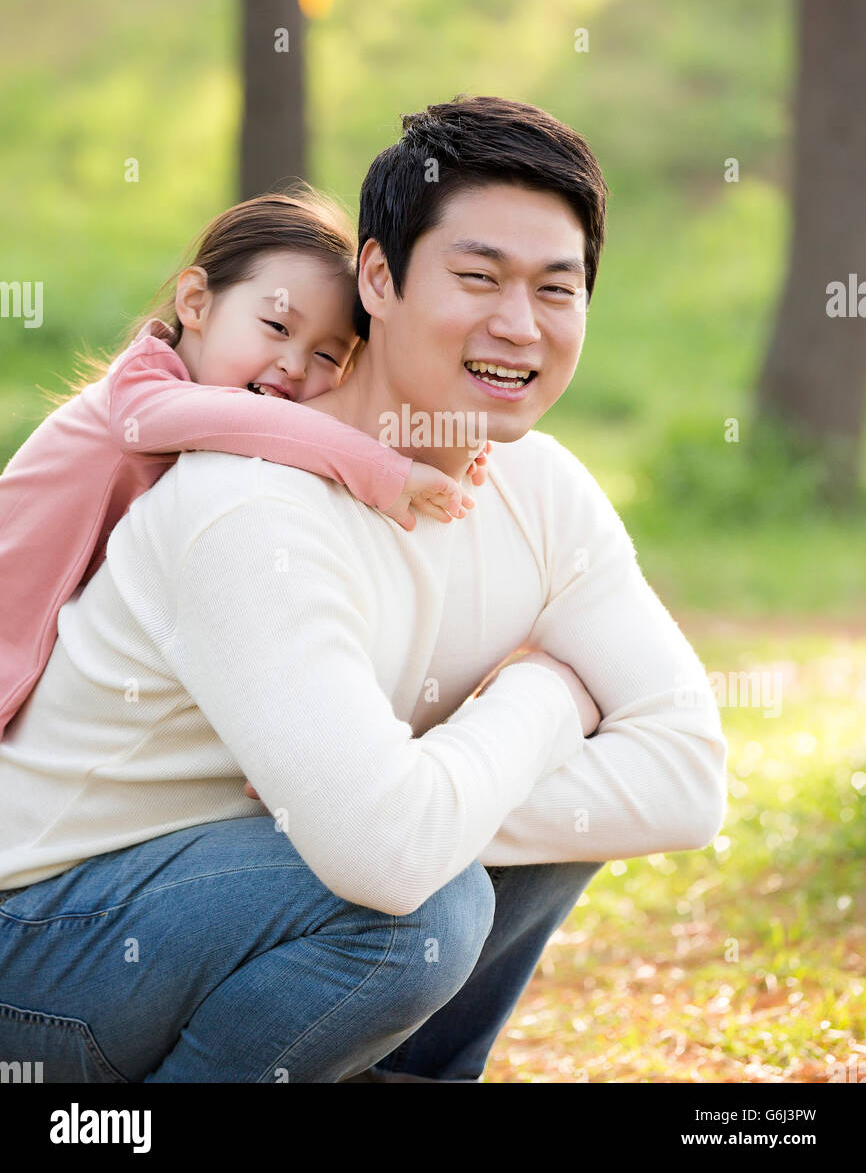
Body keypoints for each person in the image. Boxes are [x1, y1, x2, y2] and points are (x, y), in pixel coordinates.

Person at [0, 95, 727, 1083]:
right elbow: (385, 862)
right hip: (42, 945)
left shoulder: (543, 491)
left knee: (473, 833)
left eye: (556, 290)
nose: (516, 326)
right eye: (476, 277)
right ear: (376, 278)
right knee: (425, 906)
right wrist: (545, 697)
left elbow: (686, 780)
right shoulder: (245, 507)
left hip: (234, 917)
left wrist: (408, 797)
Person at [0, 187, 490, 741]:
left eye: (329, 354)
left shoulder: (215, 414)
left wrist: (442, 436)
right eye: (278, 326)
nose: (295, 364)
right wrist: (384, 471)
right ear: (195, 303)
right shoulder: (139, 399)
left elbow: (302, 426)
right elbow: (262, 425)